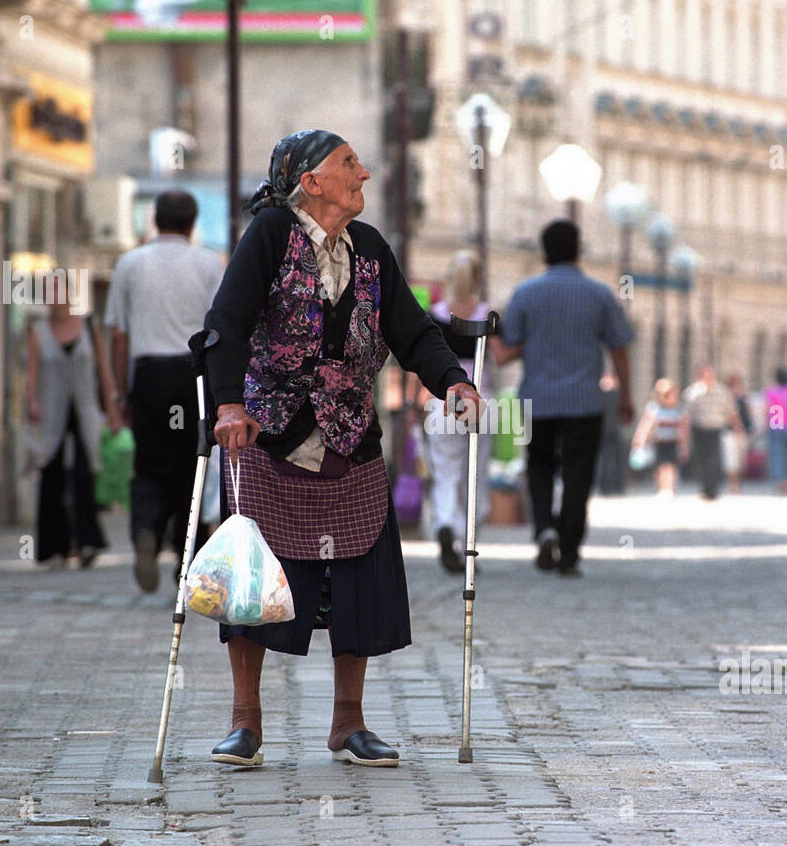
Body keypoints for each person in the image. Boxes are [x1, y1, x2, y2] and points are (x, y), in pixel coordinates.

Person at [204, 129, 480, 768]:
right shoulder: (271, 237)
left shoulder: (371, 249)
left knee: (358, 582)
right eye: (349, 163)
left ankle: (348, 725)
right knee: (253, 580)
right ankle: (245, 722)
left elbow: (411, 329)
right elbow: (227, 324)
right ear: (312, 181)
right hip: (269, 435)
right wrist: (227, 406)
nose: (364, 173)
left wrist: (454, 382)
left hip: (349, 437)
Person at [500, 219, 635, 577]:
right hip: (584, 402)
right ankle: (570, 551)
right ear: (578, 249)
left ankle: (544, 529)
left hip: (536, 400)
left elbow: (507, 345)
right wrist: (626, 396)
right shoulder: (600, 294)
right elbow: (619, 348)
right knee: (578, 475)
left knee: (539, 467)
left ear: (544, 251)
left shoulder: (525, 293)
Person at [106, 189, 224, 592]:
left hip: (150, 376)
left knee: (149, 466)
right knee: (192, 468)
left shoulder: (129, 264)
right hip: (192, 377)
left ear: (154, 219)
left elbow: (119, 336)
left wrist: (121, 393)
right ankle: (185, 561)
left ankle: (145, 530)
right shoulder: (210, 265)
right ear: (192, 224)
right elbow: (218, 334)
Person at [420, 250, 511, 573]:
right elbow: (500, 356)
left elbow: (421, 361)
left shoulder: (434, 315)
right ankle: (467, 543)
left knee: (446, 471)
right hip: (478, 396)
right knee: (475, 473)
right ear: (478, 280)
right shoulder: (488, 316)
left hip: (443, 398)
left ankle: (445, 524)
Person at [24, 277, 123, 568]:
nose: (55, 296)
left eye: (60, 289)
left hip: (85, 411)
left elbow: (103, 371)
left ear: (69, 294)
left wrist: (113, 407)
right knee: (51, 474)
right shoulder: (38, 332)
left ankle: (88, 542)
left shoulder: (89, 326)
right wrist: (31, 401)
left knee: (83, 474)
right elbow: (31, 371)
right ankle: (53, 548)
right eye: (50, 291)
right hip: (51, 410)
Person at [683, 364, 739, 500]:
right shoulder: (692, 392)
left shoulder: (722, 391)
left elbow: (731, 411)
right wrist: (684, 435)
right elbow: (686, 415)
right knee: (701, 460)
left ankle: (713, 489)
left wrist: (738, 427)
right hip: (699, 429)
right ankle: (705, 488)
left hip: (715, 429)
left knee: (714, 460)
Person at [631, 378, 688, 498]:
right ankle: (662, 488)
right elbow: (645, 425)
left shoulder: (679, 410)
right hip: (659, 441)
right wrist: (640, 441)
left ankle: (670, 488)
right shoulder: (653, 409)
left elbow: (683, 428)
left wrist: (684, 445)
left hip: (673, 441)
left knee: (671, 466)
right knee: (660, 466)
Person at [764, 368, 787, 495]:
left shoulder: (771, 392)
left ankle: (780, 482)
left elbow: (768, 409)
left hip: (776, 424)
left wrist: (766, 424)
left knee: (778, 455)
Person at [724, 373, 753, 494]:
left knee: (741, 460)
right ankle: (733, 484)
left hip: (743, 432)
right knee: (731, 459)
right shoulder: (726, 397)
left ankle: (738, 483)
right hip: (730, 432)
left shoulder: (743, 397)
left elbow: (747, 413)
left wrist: (750, 427)